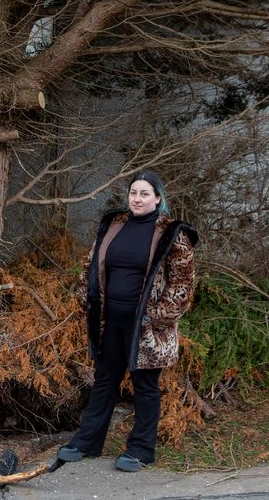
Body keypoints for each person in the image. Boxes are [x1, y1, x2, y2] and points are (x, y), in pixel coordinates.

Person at [58, 170, 198, 472]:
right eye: (133, 193)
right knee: (104, 381)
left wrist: (156, 315)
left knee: (145, 387)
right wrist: (87, 298)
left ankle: (140, 451)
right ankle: (86, 443)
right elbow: (91, 265)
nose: (137, 198)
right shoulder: (114, 225)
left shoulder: (173, 233)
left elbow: (182, 285)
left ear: (158, 198)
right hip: (109, 322)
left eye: (145, 193)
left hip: (146, 327)